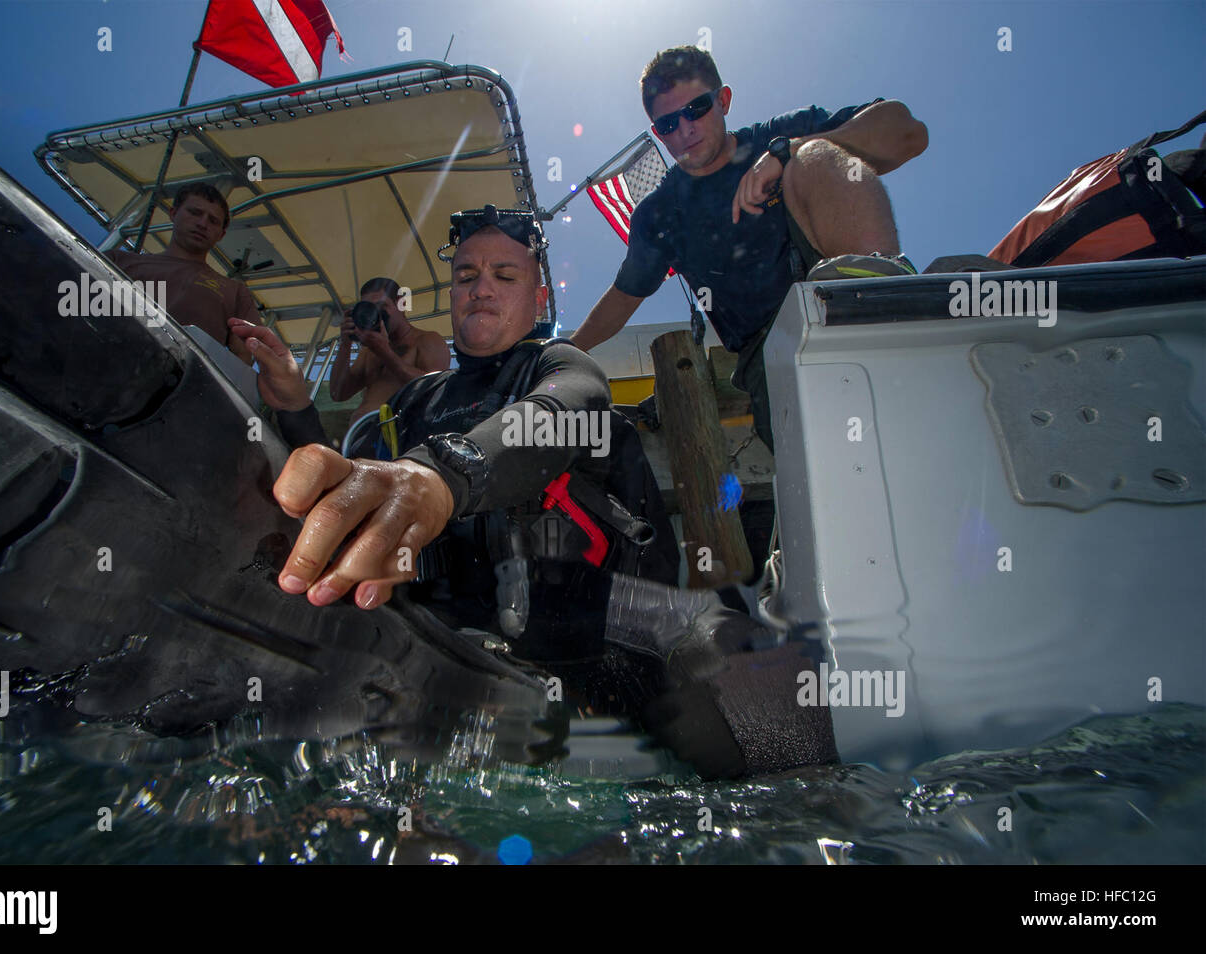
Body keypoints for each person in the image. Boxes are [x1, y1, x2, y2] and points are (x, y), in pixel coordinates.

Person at [230, 206, 839, 779]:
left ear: (539, 295)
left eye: (504, 274)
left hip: (598, 629)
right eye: (466, 275)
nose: (481, 288)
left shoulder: (561, 366)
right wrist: (295, 410)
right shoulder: (414, 402)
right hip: (450, 643)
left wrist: (442, 478)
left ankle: (800, 819)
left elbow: (570, 405)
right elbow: (353, 493)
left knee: (741, 653)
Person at [569, 46, 928, 454]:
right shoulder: (659, 213)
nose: (684, 129)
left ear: (723, 100)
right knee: (831, 468)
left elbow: (908, 133)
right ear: (657, 133)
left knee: (811, 155)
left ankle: (881, 307)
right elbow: (623, 296)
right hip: (771, 352)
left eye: (697, 108)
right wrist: (564, 352)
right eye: (668, 123)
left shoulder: (776, 135)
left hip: (849, 300)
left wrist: (787, 151)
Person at [105, 182, 260, 364]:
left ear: (221, 234)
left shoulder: (236, 292)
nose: (202, 224)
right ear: (173, 213)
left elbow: (243, 358)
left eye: (213, 221)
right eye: (195, 213)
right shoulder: (116, 261)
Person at [328, 277, 451, 419]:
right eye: (371, 309)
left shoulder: (427, 340)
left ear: (401, 304)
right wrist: (345, 344)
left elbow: (437, 391)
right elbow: (338, 393)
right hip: (361, 433)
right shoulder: (369, 351)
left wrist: (384, 352)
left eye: (382, 307)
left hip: (401, 435)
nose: (378, 315)